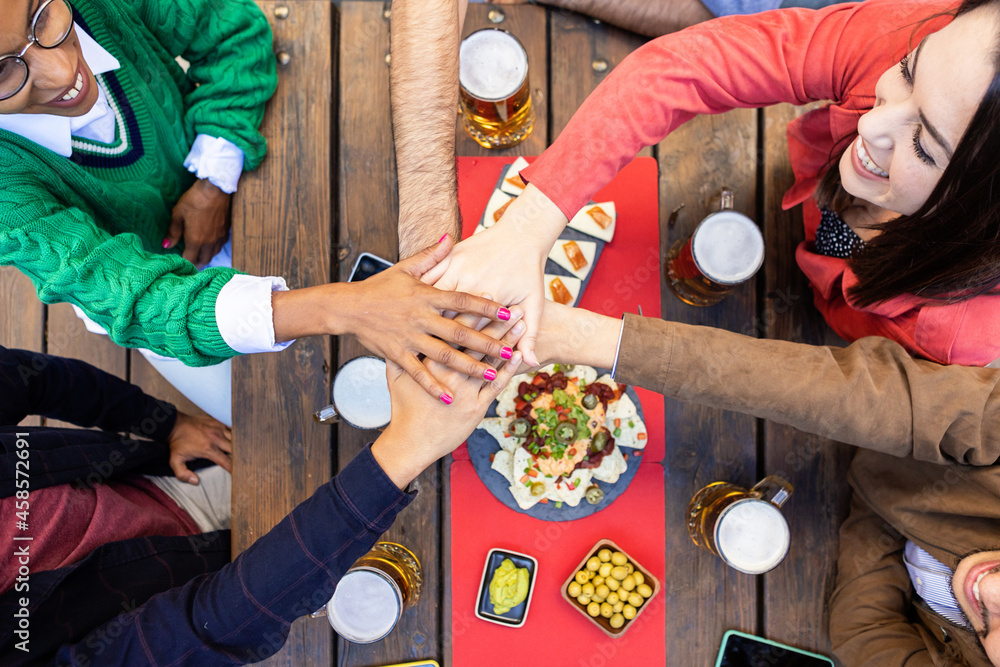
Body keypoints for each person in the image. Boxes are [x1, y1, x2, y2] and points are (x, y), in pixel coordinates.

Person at [0, 0, 513, 426]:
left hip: (216, 181)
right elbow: (141, 303)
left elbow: (235, 33)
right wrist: (347, 307)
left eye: (40, 16)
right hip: (145, 294)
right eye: (4, 70)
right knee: (277, 420)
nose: (64, 70)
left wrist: (211, 179)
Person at [419, 0, 1000, 369]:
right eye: (906, 72)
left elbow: (847, 391)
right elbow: (687, 67)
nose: (871, 123)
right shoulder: (926, 31)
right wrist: (525, 228)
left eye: (925, 146)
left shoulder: (963, 337)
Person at [0, 314, 526, 664]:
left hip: (164, 481)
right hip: (218, 588)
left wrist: (161, 421)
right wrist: (403, 453)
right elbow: (209, 626)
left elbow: (33, 378)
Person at [530, 299, 1000, 665]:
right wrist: (604, 341)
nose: (989, 593)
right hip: (870, 351)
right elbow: (852, 395)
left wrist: (881, 502)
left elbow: (860, 632)